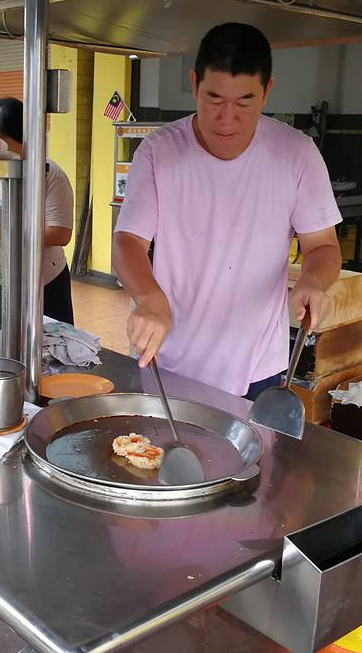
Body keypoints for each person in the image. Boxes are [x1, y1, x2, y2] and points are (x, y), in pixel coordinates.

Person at [112, 23, 343, 400]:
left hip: (257, 369)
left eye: (244, 102)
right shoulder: (159, 152)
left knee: (251, 459)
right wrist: (149, 298)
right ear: (194, 84)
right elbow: (128, 241)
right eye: (214, 99)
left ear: (267, 91)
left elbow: (323, 247)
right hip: (169, 358)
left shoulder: (296, 154)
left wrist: (313, 284)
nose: (226, 118)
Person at [0, 97, 75, 324]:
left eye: (1, 144)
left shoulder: (49, 174)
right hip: (0, 277)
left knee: (49, 349)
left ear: (27, 138)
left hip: (44, 281)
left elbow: (60, 233)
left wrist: (7, 233)